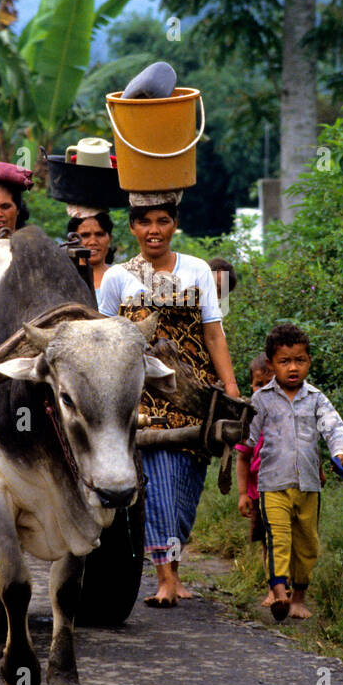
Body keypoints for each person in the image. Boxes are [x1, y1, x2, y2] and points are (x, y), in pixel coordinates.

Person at [96, 192, 241, 607]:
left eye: (162, 221)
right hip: (144, 395)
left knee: (186, 490)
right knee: (159, 481)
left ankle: (172, 567)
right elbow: (106, 339)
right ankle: (166, 578)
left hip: (196, 395)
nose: (153, 231)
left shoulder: (197, 269)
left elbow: (214, 333)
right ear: (132, 228)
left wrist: (229, 389)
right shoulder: (118, 277)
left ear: (174, 224)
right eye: (145, 223)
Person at [239, 324, 343, 621]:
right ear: (271, 363)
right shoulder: (262, 400)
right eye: (284, 361)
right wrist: (241, 486)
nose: (293, 368)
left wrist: (340, 454)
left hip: (308, 487)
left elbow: (334, 428)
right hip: (272, 484)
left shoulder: (315, 399)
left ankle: (298, 597)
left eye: (299, 361)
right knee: (278, 539)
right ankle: (279, 593)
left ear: (309, 362)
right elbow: (247, 439)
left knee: (307, 545)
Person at [234, 353, 273, 597]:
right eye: (259, 385)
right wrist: (242, 494)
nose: (264, 391)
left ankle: (285, 586)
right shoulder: (251, 420)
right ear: (251, 386)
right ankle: (274, 589)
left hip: (289, 489)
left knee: (286, 540)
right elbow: (242, 458)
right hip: (259, 494)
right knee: (268, 542)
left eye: (269, 385)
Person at [65, 210, 115, 289]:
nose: (93, 242)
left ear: (110, 239)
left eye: (99, 234)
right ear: (73, 240)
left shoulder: (122, 278)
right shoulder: (64, 280)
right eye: (85, 235)